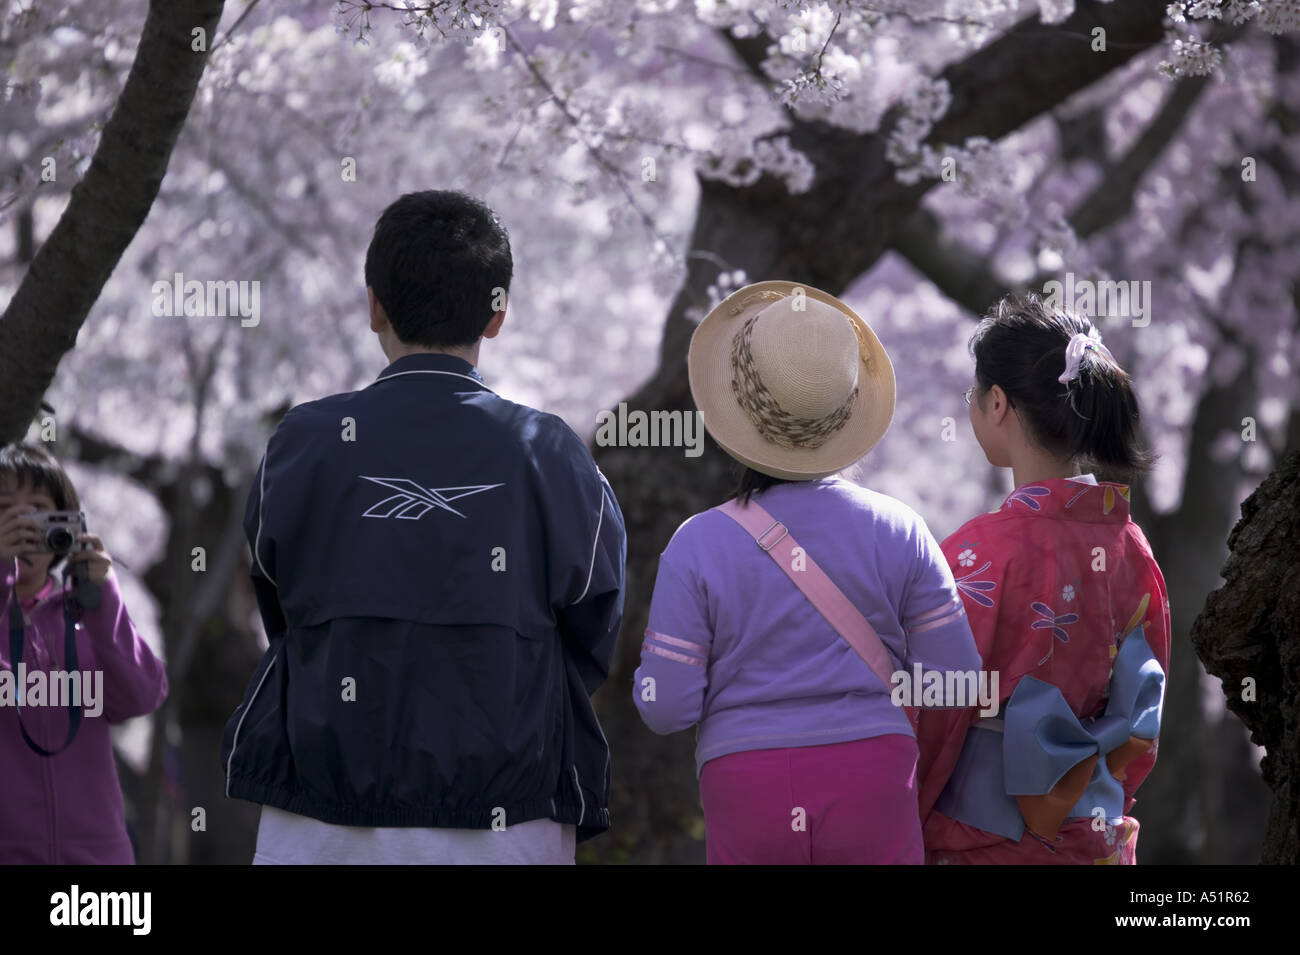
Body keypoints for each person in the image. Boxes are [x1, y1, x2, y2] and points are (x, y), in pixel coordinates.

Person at [221, 189, 626, 864]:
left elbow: (276, 593)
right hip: (507, 814)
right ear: (497, 314)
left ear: (373, 303)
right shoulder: (548, 449)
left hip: (319, 816)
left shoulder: (304, 441)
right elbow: (595, 620)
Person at [633, 280, 982, 864]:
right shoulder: (900, 529)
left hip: (745, 782)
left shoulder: (697, 544)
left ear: (737, 407)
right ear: (845, 413)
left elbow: (666, 707)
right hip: (874, 776)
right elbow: (958, 681)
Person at [916, 292, 1171, 865]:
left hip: (980, 840)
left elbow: (933, 710)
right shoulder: (1133, 548)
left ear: (998, 403)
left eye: (973, 396)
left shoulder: (979, 552)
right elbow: (1143, 709)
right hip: (1092, 834)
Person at [0, 441, 168, 863]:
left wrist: (104, 600)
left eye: (38, 508)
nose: (24, 525)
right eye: (5, 510)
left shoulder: (87, 616)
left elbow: (143, 696)